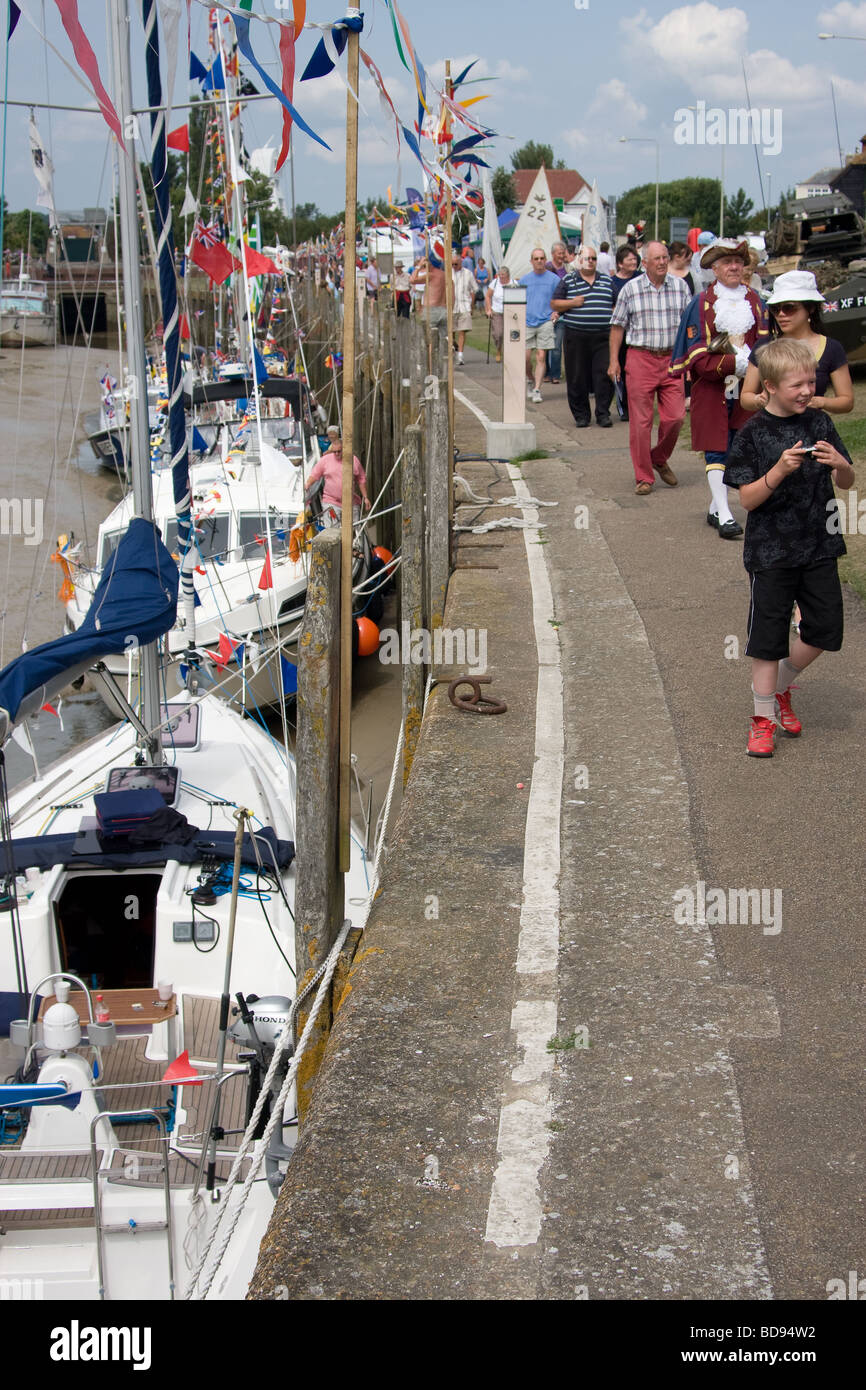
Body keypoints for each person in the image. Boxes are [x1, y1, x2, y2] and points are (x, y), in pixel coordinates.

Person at [722, 338, 855, 757]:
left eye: (811, 383)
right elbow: (746, 500)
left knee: (825, 629)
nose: (807, 392)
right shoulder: (753, 433)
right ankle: (762, 720)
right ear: (772, 387)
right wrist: (777, 470)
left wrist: (842, 466)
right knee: (768, 636)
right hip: (771, 552)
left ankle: (778, 688)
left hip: (819, 544)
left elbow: (848, 482)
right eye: (797, 385)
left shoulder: (818, 423)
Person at [669, 238, 768, 537]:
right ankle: (725, 515)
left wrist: (752, 366)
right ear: (714, 268)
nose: (734, 267)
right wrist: (730, 364)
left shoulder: (755, 301)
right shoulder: (700, 304)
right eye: (727, 262)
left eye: (738, 261)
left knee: (739, 447)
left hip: (747, 387)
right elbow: (696, 350)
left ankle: (716, 507)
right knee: (716, 448)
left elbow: (765, 342)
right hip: (712, 387)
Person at [608, 241, 691, 494]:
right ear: (645, 263)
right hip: (640, 358)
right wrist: (614, 361)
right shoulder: (631, 289)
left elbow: (689, 327)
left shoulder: (680, 287)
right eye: (657, 258)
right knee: (641, 422)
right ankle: (644, 476)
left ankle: (658, 457)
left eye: (665, 257)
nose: (663, 262)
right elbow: (617, 326)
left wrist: (689, 360)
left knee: (676, 417)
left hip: (671, 360)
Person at [740, 270, 854, 417]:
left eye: (789, 308)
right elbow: (745, 397)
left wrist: (820, 402)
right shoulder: (763, 347)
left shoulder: (831, 348)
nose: (781, 314)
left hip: (813, 429)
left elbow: (847, 401)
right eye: (775, 309)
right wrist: (758, 400)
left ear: (810, 308)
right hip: (772, 430)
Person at [551, 244, 614, 429]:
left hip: (603, 335)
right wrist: (573, 303)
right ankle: (581, 415)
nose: (591, 262)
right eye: (587, 258)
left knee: (603, 375)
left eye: (594, 258)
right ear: (579, 260)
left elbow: (617, 303)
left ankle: (603, 413)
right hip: (576, 335)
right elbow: (555, 304)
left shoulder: (606, 281)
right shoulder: (569, 280)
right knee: (577, 375)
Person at [519, 248, 561, 403]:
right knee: (525, 358)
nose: (539, 261)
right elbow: (518, 300)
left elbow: (561, 298)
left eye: (542, 258)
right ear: (531, 261)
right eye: (536, 258)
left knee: (541, 356)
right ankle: (530, 379)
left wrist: (556, 312)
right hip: (528, 321)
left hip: (545, 321)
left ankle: (537, 388)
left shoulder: (554, 279)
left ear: (545, 259)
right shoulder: (524, 280)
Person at [305, 435, 371, 524]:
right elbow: (315, 475)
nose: (336, 454)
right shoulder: (325, 460)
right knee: (332, 530)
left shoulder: (353, 460)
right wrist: (307, 484)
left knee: (355, 529)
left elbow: (361, 479)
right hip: (331, 502)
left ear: (343, 449)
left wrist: (365, 497)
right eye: (334, 452)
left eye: (339, 451)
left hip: (351, 502)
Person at [610, 245, 642, 421]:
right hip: (619, 332)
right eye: (630, 259)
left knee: (634, 372)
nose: (633, 262)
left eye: (635, 259)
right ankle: (622, 406)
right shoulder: (612, 282)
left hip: (637, 334)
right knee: (620, 369)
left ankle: (633, 405)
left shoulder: (641, 279)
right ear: (620, 263)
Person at [544, 241, 569, 382]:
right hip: (547, 313)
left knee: (557, 346)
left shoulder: (568, 269)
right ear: (553, 254)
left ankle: (555, 374)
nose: (561, 255)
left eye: (563, 253)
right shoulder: (547, 268)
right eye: (559, 253)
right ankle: (546, 372)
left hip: (562, 314)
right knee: (546, 345)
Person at [452, 252, 477, 366]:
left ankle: (460, 355)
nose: (454, 266)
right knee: (450, 332)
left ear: (461, 262)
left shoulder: (468, 274)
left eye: (456, 264)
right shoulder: (448, 274)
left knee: (462, 331)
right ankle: (453, 347)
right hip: (451, 307)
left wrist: (472, 307)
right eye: (452, 264)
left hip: (464, 305)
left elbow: (474, 290)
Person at [410, 253, 447, 328]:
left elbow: (412, 280)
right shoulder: (444, 275)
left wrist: (418, 266)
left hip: (431, 309)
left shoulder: (431, 275)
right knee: (443, 337)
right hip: (444, 308)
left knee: (429, 336)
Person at [485, 263, 511, 362]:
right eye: (499, 275)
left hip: (510, 312)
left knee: (510, 334)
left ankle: (508, 353)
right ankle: (499, 349)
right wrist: (488, 309)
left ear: (508, 275)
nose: (501, 277)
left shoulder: (513, 283)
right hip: (497, 311)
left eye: (503, 275)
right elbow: (488, 296)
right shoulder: (495, 283)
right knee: (498, 334)